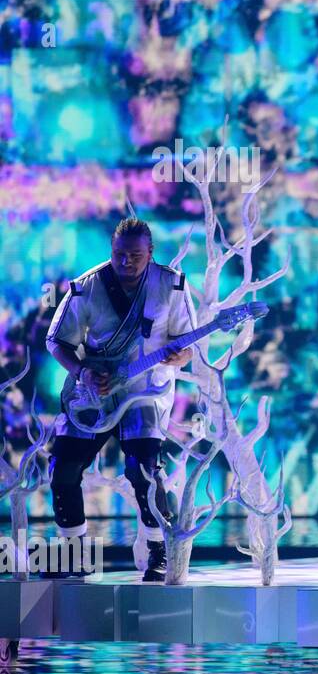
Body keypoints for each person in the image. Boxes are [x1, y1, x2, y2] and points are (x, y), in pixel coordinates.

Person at [44, 217, 196, 581]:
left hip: (145, 392)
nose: (126, 262)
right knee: (63, 469)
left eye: (135, 256)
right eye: (119, 255)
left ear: (151, 253)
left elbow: (186, 339)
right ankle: (73, 552)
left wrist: (182, 355)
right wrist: (82, 373)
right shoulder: (86, 286)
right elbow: (57, 340)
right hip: (94, 393)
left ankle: (159, 552)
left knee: (144, 472)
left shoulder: (171, 285)